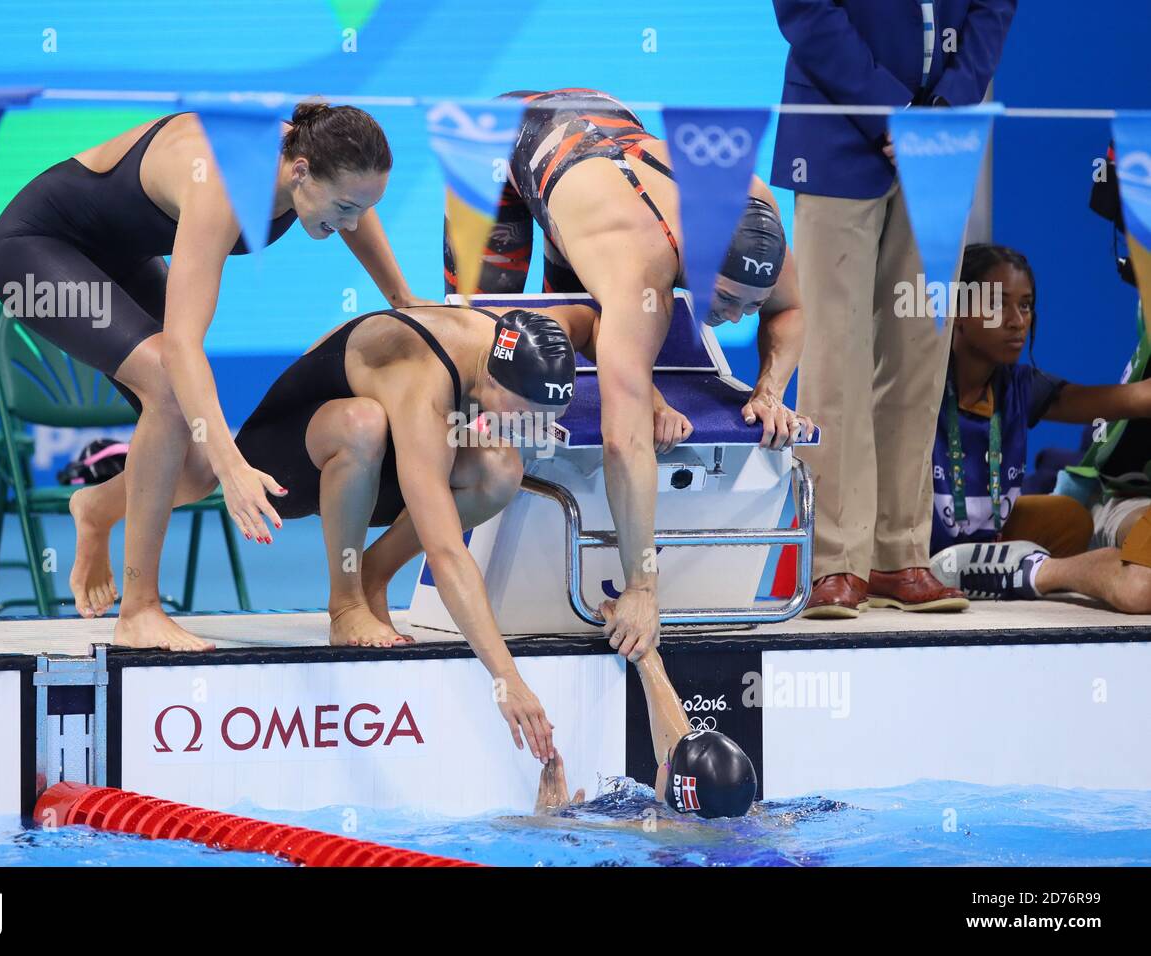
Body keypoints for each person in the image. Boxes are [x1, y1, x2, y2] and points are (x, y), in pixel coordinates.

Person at [0, 103, 428, 651]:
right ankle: (139, 611)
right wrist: (234, 464)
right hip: (39, 249)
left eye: (362, 207)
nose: (352, 221)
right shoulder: (222, 182)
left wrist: (402, 298)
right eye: (343, 207)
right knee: (174, 396)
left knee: (192, 477)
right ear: (300, 171)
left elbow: (355, 199)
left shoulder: (319, 162)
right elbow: (182, 348)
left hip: (120, 258)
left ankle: (96, 507)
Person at [445, 87, 812, 660]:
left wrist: (769, 390)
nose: (739, 318)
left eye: (749, 304)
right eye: (728, 300)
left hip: (601, 127)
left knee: (609, 334)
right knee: (491, 347)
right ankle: (455, 529)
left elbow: (789, 307)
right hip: (498, 140)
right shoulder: (635, 267)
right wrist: (642, 587)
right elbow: (625, 440)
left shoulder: (752, 212)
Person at [157, 303, 579, 759]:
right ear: (493, 380)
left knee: (499, 469)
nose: (530, 428)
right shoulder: (424, 381)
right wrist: (506, 679)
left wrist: (652, 401)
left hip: (380, 465)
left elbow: (586, 319)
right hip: (295, 459)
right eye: (524, 415)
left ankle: (373, 574)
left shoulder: (517, 344)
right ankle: (346, 602)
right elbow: (446, 552)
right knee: (351, 428)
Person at [772, 0, 1018, 619]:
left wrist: (947, 111)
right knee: (835, 356)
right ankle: (832, 559)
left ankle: (898, 551)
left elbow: (993, 8)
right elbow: (805, 8)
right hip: (837, 127)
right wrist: (893, 114)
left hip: (943, 141)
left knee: (921, 353)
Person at [930, 246, 1151, 611]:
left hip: (987, 536)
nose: (1017, 321)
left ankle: (1003, 570)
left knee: (1068, 519)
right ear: (957, 312)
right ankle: (1026, 572)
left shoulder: (1021, 387)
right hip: (914, 548)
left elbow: (1132, 398)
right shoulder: (915, 389)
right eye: (998, 305)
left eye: (1026, 305)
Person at [532, 639, 756, 821]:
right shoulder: (737, 814)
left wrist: (551, 820)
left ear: (676, 794)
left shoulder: (647, 836)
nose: (663, 761)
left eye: (667, 762)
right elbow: (685, 762)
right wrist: (645, 654)